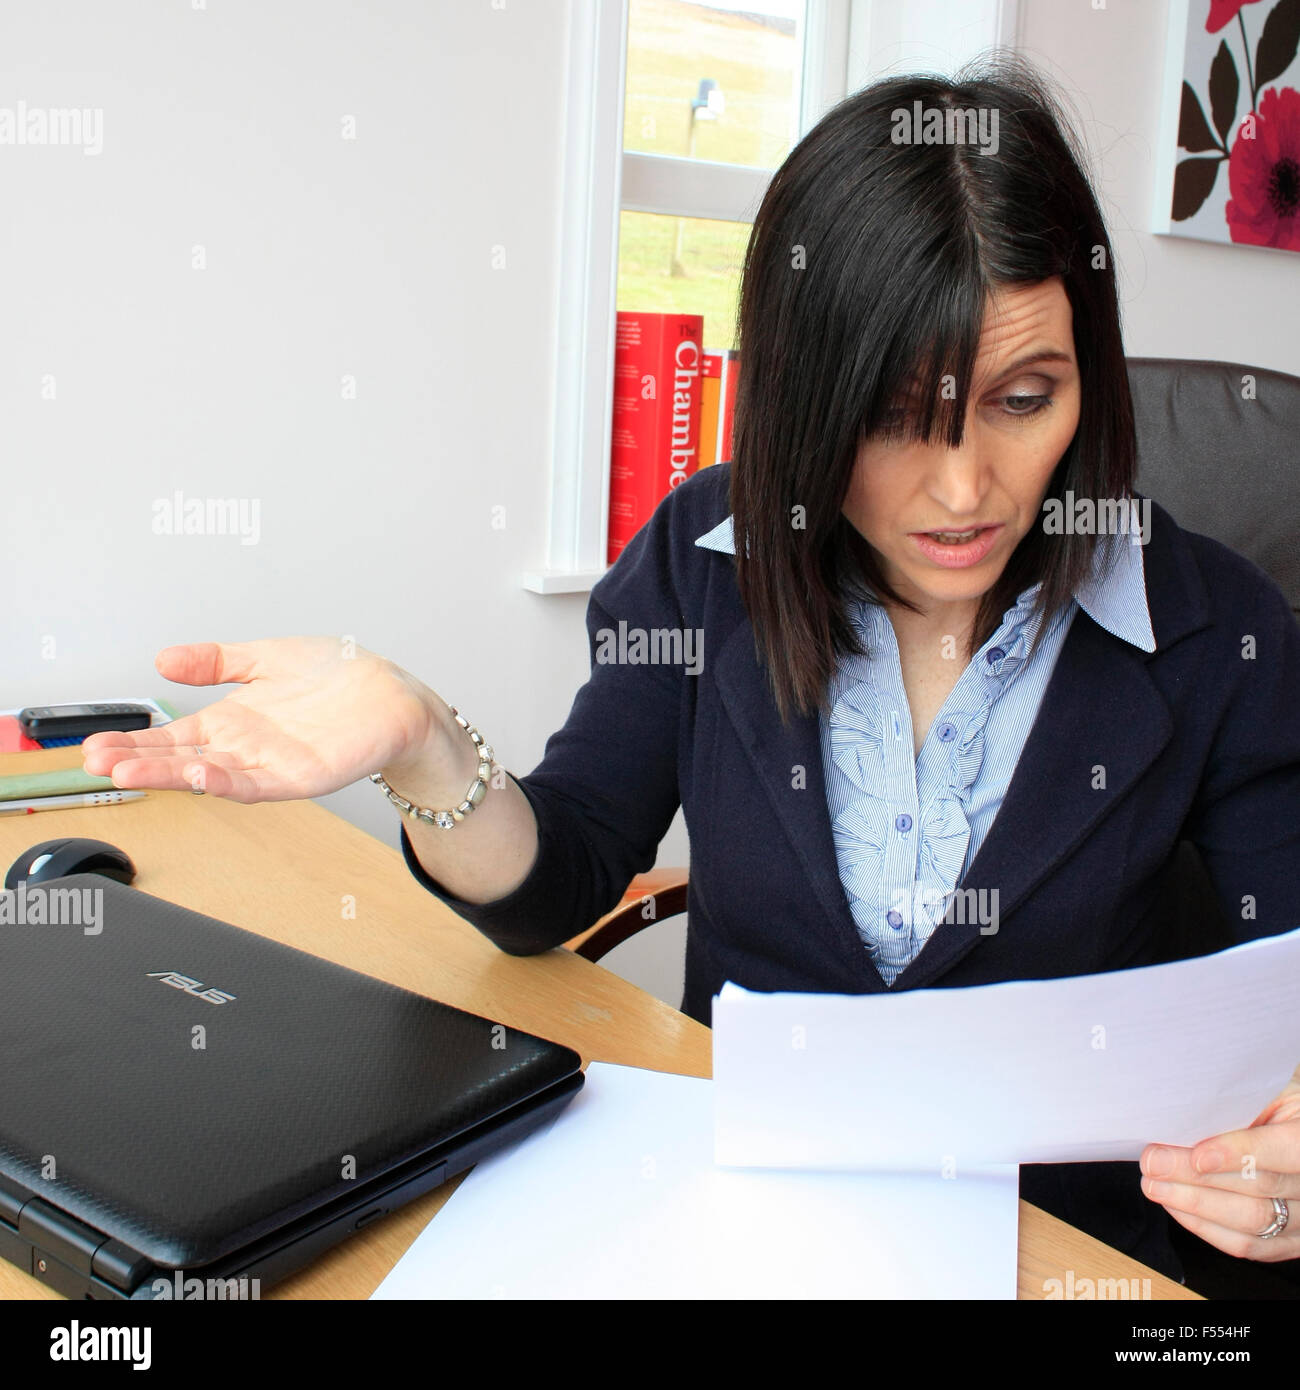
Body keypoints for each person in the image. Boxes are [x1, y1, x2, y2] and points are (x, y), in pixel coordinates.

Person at [82, 54, 1300, 1290]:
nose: (961, 489)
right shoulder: (704, 559)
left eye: (1022, 399)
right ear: (796, 400)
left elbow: (1289, 986)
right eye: (889, 418)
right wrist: (423, 742)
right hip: (744, 1231)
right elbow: (554, 885)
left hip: (1075, 1259)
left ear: (1086, 376)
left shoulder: (1220, 634)